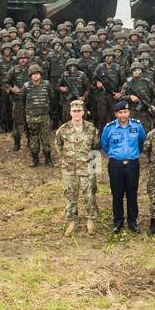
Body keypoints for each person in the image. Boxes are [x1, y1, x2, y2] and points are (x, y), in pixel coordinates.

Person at [54, 99, 99, 235]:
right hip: (69, 168)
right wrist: (67, 158)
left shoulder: (91, 128)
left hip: (87, 167)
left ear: (83, 112)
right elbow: (58, 146)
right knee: (70, 195)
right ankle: (71, 221)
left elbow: (95, 147)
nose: (77, 114)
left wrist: (93, 167)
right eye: (74, 111)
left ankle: (90, 220)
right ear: (70, 112)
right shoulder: (63, 129)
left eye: (79, 111)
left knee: (89, 195)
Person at [100, 101, 146, 235]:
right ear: (116, 114)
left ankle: (132, 221)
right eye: (120, 112)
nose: (123, 115)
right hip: (115, 165)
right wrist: (116, 156)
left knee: (132, 194)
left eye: (125, 112)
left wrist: (132, 154)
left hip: (132, 164)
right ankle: (118, 221)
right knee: (117, 194)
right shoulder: (109, 128)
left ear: (129, 112)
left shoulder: (137, 126)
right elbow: (105, 145)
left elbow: (141, 141)